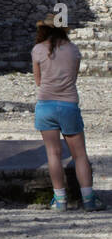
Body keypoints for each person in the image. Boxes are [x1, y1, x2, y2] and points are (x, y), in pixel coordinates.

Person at [32, 14, 103, 210]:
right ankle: (88, 199)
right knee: (80, 154)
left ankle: (60, 200)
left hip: (45, 104)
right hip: (68, 104)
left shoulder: (38, 50)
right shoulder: (73, 50)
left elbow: (38, 81)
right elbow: (74, 77)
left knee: (53, 154)